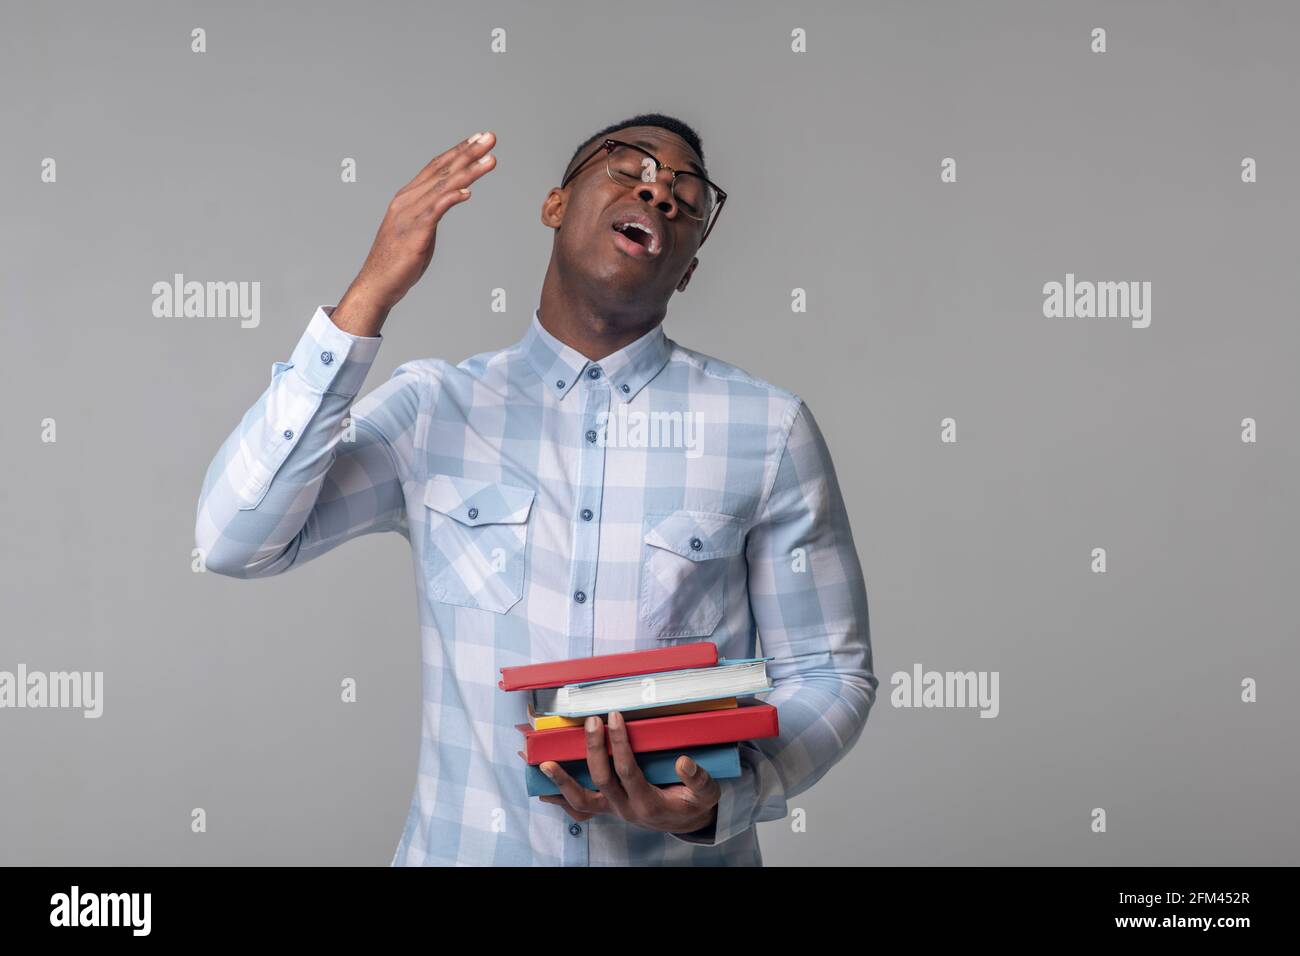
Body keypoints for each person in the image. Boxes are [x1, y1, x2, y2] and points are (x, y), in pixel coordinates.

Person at [195, 112, 877, 866]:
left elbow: (830, 674)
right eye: (632, 167)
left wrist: (723, 797)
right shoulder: (432, 412)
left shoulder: (767, 429)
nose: (660, 195)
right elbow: (236, 539)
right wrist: (368, 298)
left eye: (687, 197)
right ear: (555, 205)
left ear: (687, 267)